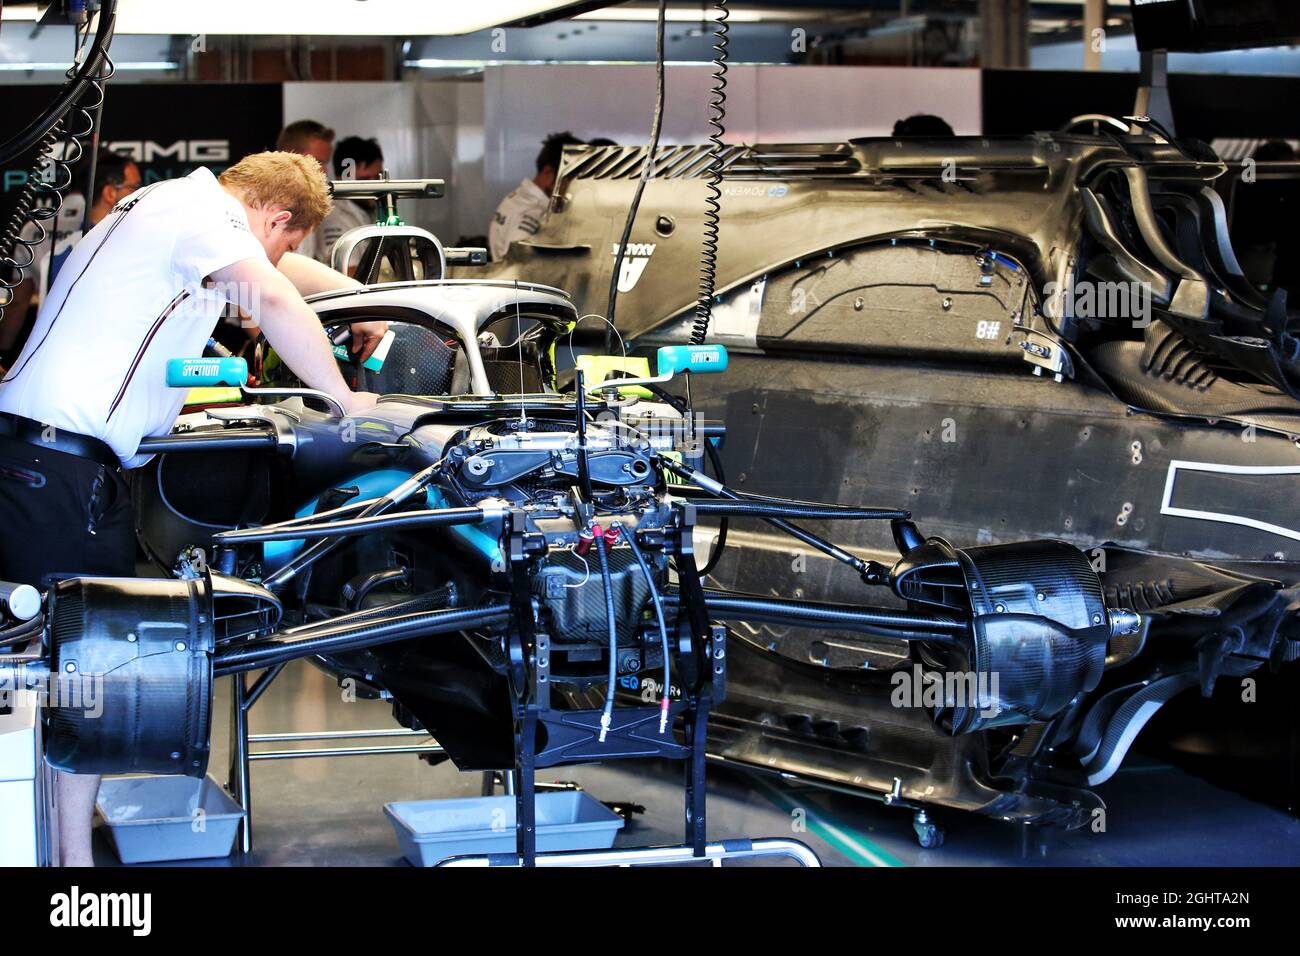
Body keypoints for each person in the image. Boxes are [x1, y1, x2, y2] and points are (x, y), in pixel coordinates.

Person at [0, 150, 385, 866]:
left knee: (51, 669)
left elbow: (282, 276)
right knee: (82, 673)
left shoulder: (171, 207)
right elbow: (270, 294)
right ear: (271, 217)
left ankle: (55, 851)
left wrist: (356, 299)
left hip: (40, 462)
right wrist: (346, 398)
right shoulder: (199, 217)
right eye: (287, 240)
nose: (281, 258)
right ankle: (71, 870)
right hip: (58, 470)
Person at [0, 149, 143, 372]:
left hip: (48, 359)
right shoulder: (125, 240)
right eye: (134, 188)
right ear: (108, 192)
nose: (138, 195)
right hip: (104, 361)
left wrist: (3, 354)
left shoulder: (42, 233)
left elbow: (19, 301)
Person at [488, 131, 584, 262]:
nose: (572, 189)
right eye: (570, 181)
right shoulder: (531, 212)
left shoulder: (517, 200)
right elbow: (520, 267)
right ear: (548, 173)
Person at [298, 135, 384, 267]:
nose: (374, 186)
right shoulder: (331, 214)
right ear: (340, 179)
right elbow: (346, 271)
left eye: (377, 178)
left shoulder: (371, 210)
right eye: (364, 180)